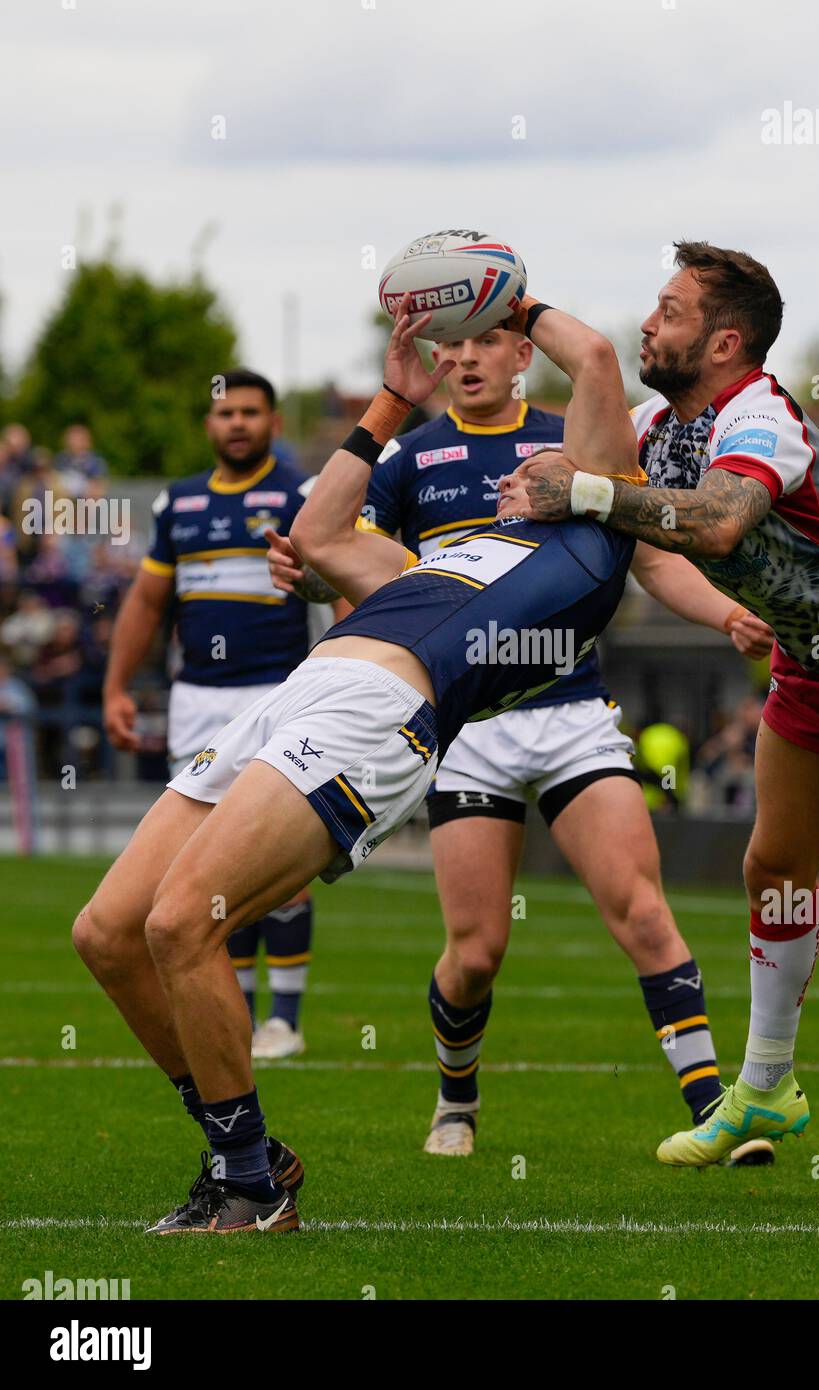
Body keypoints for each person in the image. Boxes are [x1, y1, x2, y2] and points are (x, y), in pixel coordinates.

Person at [73, 293, 657, 1233]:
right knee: (108, 932)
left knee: (181, 924)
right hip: (301, 692)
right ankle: (247, 1154)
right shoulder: (458, 559)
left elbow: (591, 358)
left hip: (379, 716)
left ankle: (250, 1188)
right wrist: (390, 404)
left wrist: (509, 296)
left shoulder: (588, 549)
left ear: (592, 475)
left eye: (539, 464)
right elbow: (316, 538)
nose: (514, 471)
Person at [510, 244, 819, 1220]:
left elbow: (718, 523)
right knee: (770, 872)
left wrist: (586, 488)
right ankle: (765, 1088)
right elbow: (599, 430)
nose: (650, 323)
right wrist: (515, 316)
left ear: (724, 342)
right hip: (810, 671)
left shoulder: (761, 415)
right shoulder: (661, 427)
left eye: (670, 310)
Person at [266, 325, 775, 1159]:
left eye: (486, 342)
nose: (466, 359)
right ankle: (456, 1101)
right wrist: (309, 574)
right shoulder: (407, 460)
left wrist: (728, 615)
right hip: (469, 724)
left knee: (645, 913)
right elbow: (355, 570)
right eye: (452, 347)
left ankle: (711, 1108)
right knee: (476, 953)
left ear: (522, 355)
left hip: (572, 712)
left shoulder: (575, 442)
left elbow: (648, 561)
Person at [102, 369, 346, 1059]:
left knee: (276, 859)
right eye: (225, 413)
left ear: (273, 422)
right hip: (196, 703)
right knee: (202, 866)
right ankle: (234, 1013)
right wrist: (116, 685)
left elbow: (344, 587)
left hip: (280, 695)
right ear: (208, 424)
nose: (237, 423)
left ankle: (285, 1020)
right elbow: (147, 601)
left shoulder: (302, 495)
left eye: (250, 412)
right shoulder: (178, 503)